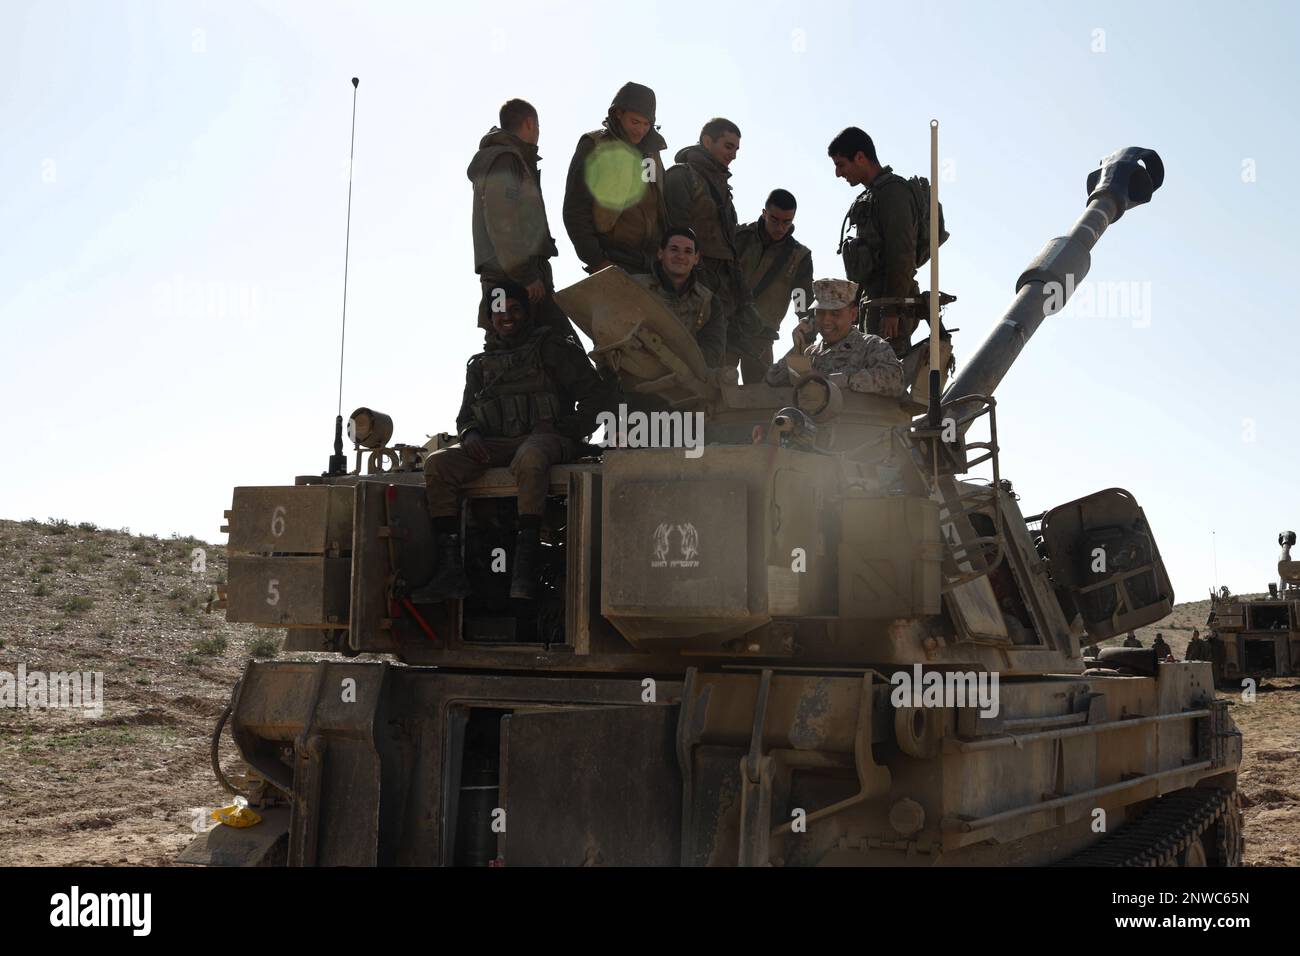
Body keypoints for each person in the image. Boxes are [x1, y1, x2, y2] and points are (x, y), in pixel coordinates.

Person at [413, 283, 608, 603]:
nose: (508, 317)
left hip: (548, 440)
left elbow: (596, 398)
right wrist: (470, 434)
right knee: (438, 464)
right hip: (495, 443)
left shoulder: (552, 348)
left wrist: (565, 428)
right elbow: (465, 416)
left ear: (527, 312)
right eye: (500, 311)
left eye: (515, 309)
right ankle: (450, 570)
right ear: (490, 318)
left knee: (529, 458)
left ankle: (524, 566)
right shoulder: (480, 366)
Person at [467, 98, 576, 341]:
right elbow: (501, 223)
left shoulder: (504, 159)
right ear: (529, 123)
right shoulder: (506, 160)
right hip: (514, 277)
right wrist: (525, 274)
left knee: (516, 350)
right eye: (537, 127)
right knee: (557, 347)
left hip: (504, 276)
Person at [665, 118, 763, 378]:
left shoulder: (722, 189)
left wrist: (745, 299)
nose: (733, 155)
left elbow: (730, 250)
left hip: (723, 291)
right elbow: (675, 237)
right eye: (728, 146)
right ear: (707, 141)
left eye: (736, 150)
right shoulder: (682, 176)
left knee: (718, 366)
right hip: (692, 287)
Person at [829, 127, 921, 355]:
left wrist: (892, 310)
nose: (838, 173)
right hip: (874, 304)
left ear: (860, 157)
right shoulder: (871, 195)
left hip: (889, 310)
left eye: (841, 164)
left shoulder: (893, 193)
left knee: (884, 379)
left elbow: (901, 254)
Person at [562, 82, 668, 275]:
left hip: (651, 265)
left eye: (647, 124)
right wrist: (597, 260)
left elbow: (659, 206)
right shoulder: (594, 146)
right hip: (611, 260)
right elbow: (575, 211)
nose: (640, 130)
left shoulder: (652, 153)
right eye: (635, 122)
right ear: (618, 114)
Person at [764, 278, 904, 396]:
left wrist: (834, 382)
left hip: (856, 425)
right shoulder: (809, 353)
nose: (826, 320)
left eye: (835, 314)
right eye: (820, 313)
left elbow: (894, 379)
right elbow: (772, 379)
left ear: (853, 314)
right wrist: (797, 349)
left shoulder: (871, 346)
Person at [734, 189, 814, 383]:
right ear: (764, 213)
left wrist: (805, 323)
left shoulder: (799, 256)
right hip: (728, 327)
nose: (780, 227)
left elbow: (802, 297)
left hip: (761, 336)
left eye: (787, 222)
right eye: (774, 220)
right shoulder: (739, 237)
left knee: (761, 396)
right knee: (716, 388)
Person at [628, 226, 726, 368]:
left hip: (683, 383)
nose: (680, 256)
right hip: (632, 374)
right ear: (661, 253)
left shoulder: (709, 302)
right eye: (674, 249)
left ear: (696, 258)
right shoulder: (633, 287)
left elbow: (713, 352)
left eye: (688, 251)